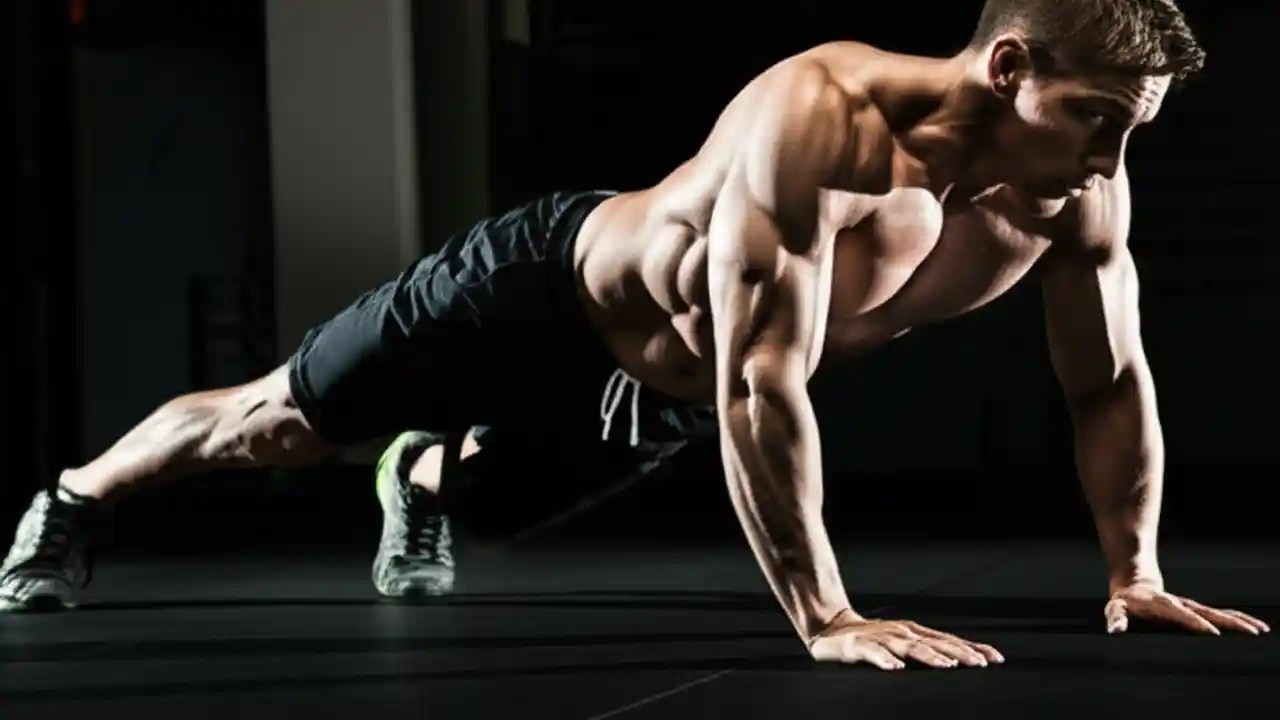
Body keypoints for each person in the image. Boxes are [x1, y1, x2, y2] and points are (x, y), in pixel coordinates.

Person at [2, 0, 1269, 670]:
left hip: (652, 396)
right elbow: (761, 381)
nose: (1113, 159)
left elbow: (1107, 382)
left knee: (488, 501)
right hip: (536, 289)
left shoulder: (1071, 194)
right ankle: (73, 498)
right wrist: (825, 617)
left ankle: (421, 475)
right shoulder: (822, 116)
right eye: (1099, 117)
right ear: (1006, 68)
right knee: (274, 428)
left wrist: (1134, 572)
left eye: (1133, 130)